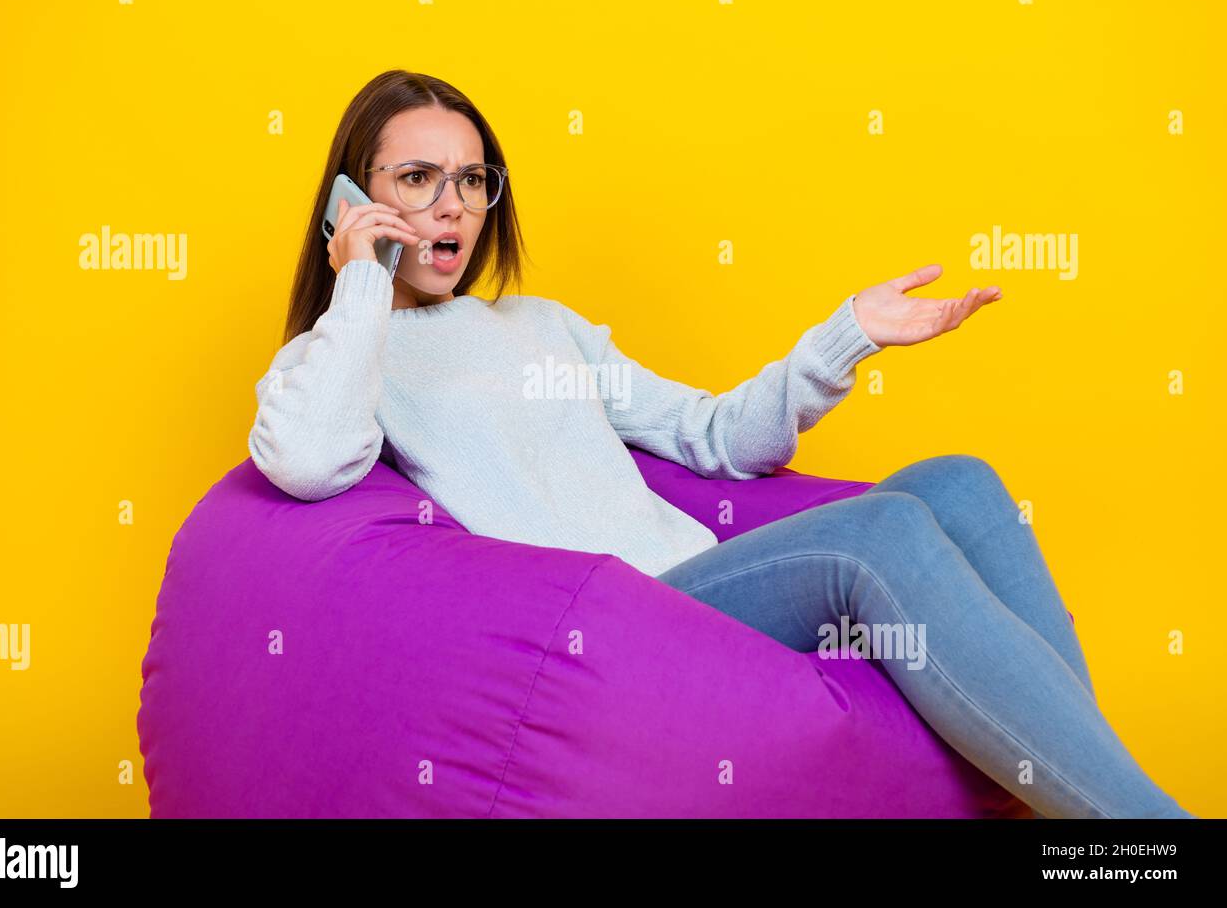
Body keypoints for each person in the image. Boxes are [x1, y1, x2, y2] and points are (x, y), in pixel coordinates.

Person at [249, 69, 1193, 818]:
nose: (452, 205)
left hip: (703, 589)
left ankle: (1083, 802)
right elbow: (305, 457)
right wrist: (359, 288)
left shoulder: (540, 326)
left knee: (959, 483)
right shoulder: (340, 358)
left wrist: (846, 334)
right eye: (417, 179)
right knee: (880, 534)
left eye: (470, 179)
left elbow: (712, 438)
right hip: (610, 631)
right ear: (350, 201)